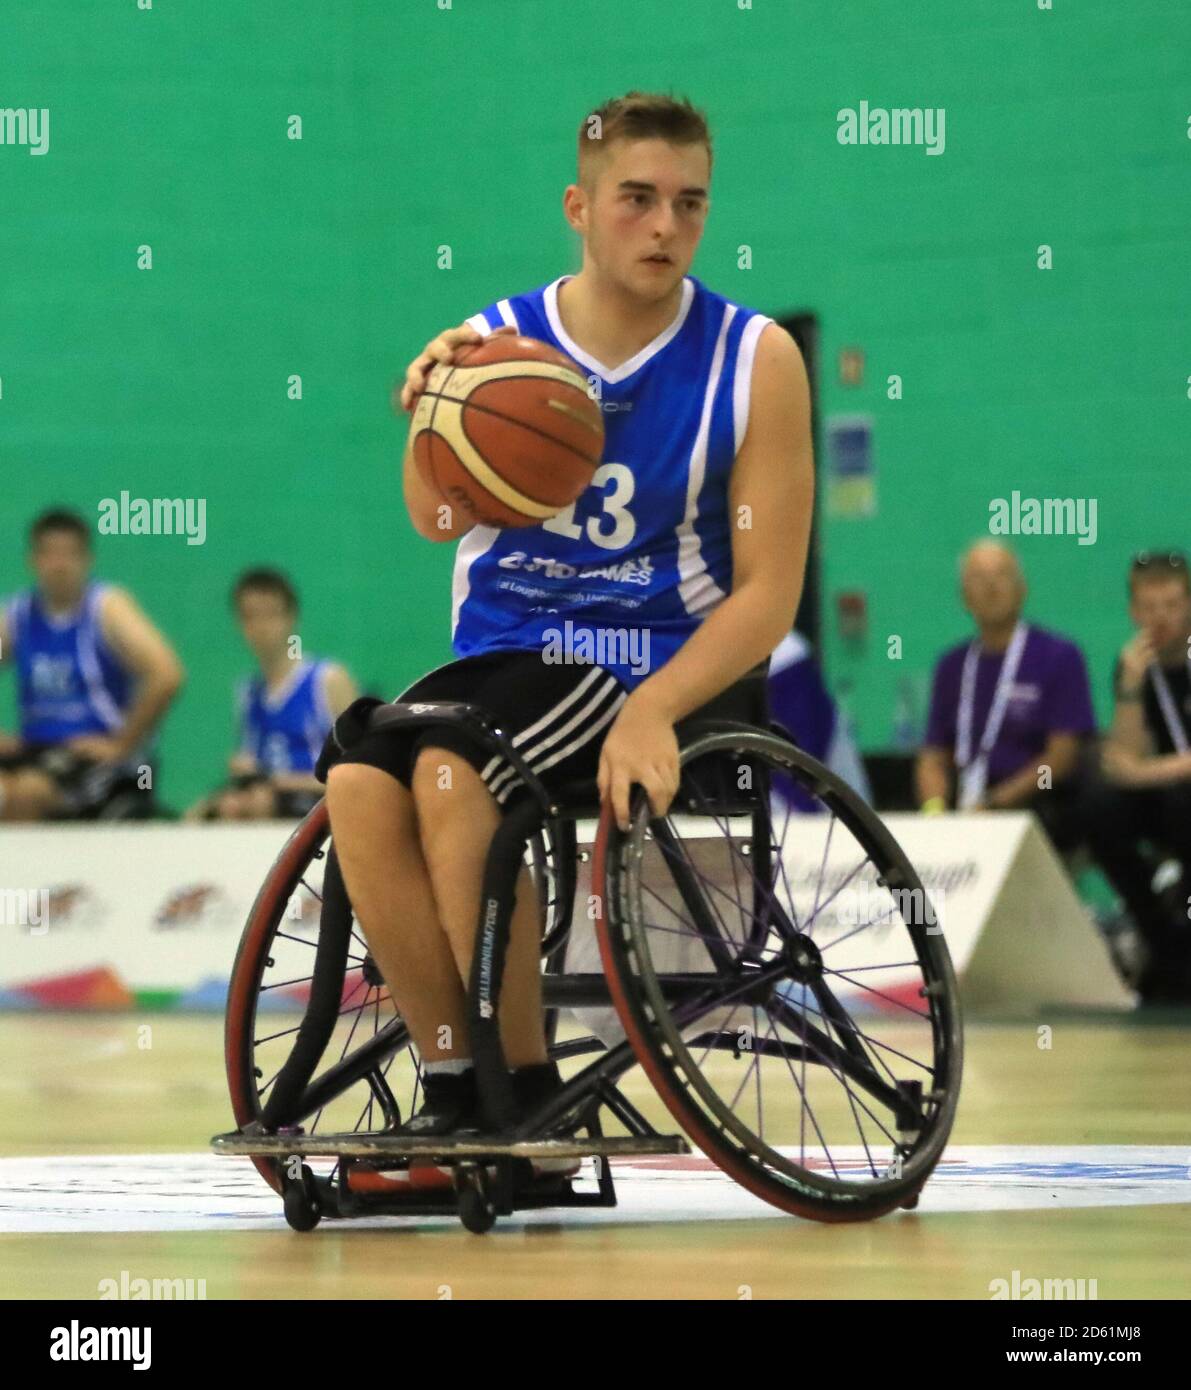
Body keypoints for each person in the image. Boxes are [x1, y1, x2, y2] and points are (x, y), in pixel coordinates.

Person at [321, 91, 813, 1192]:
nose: (665, 226)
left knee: (455, 773)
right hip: (502, 651)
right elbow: (437, 521)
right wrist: (433, 420)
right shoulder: (499, 341)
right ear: (579, 207)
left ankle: (529, 1095)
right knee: (357, 781)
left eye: (689, 203)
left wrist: (652, 710)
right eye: (636, 200)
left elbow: (769, 596)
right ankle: (454, 1089)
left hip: (647, 656)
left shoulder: (754, 357)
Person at [0, 509, 184, 821]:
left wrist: (122, 744)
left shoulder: (107, 608)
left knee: (27, 793)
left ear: (87, 560)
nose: (59, 565)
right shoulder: (18, 615)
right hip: (38, 753)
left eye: (69, 554)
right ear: (33, 560)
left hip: (94, 760)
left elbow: (166, 674)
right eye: (50, 554)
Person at [915, 541, 1096, 853]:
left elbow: (1061, 759)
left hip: (1036, 799)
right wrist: (935, 813)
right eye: (978, 578)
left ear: (1022, 588)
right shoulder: (952, 666)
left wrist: (997, 803)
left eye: (1001, 575)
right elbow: (932, 756)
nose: (990, 586)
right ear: (964, 596)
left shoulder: (1059, 655)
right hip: (968, 802)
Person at [1081, 551, 1191, 1004]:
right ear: (1133, 611)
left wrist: (1143, 771)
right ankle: (1161, 940)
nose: (1159, 618)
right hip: (1166, 795)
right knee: (1100, 805)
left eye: (1171, 605)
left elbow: (1136, 768)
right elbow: (1123, 761)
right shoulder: (1135, 669)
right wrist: (1128, 687)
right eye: (1148, 607)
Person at [186, 569, 358, 821]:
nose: (260, 627)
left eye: (270, 615)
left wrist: (276, 781)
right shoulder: (248, 692)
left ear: (291, 618)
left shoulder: (327, 680)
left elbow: (362, 770)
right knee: (203, 811)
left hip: (317, 805)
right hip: (266, 798)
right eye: (249, 617)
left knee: (255, 803)